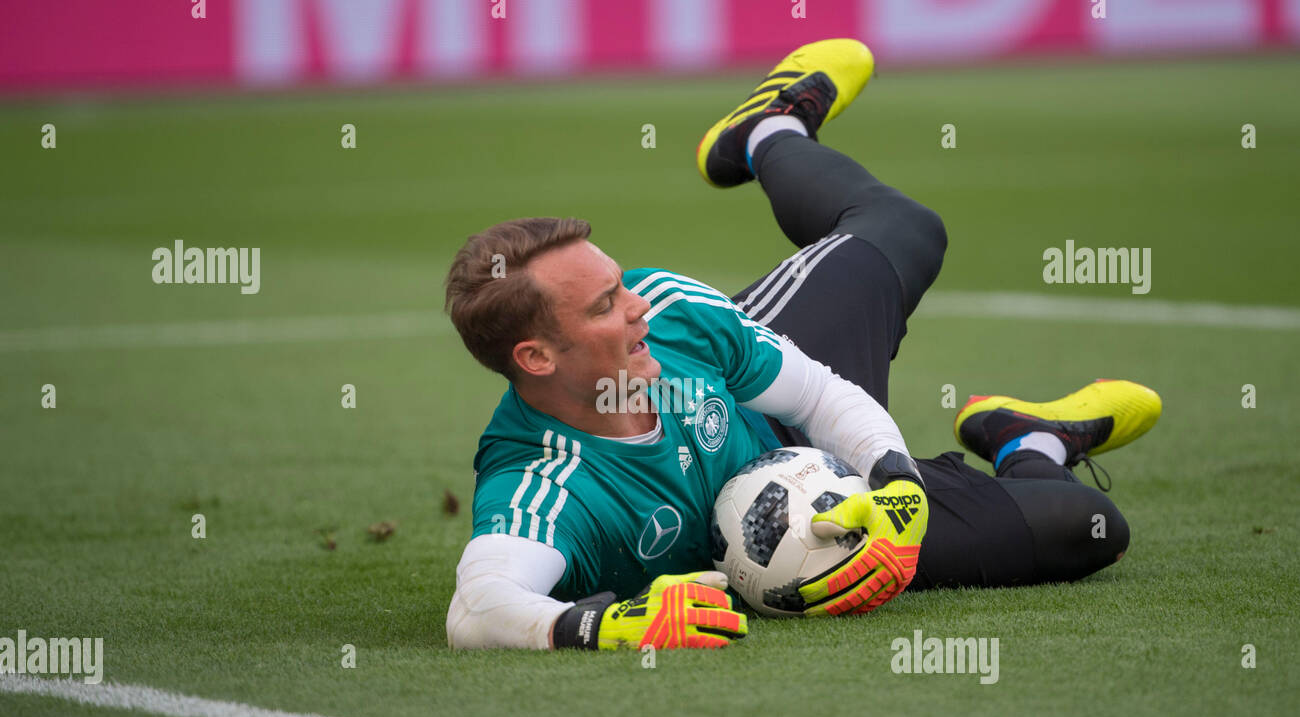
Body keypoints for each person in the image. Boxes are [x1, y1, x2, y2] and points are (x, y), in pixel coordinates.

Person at [443, 39, 1161, 652]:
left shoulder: (670, 310)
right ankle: (1029, 441)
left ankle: (768, 130)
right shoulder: (542, 481)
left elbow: (817, 393)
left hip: (785, 430)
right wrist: (602, 626)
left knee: (905, 228)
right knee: (1088, 531)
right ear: (536, 358)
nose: (637, 306)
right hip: (807, 535)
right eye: (605, 304)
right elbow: (477, 606)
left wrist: (897, 482)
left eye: (619, 280)